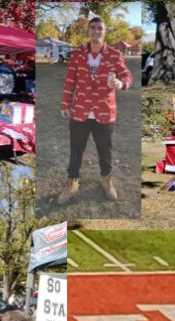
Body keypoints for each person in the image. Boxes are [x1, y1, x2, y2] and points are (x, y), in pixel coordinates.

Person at [58, 16, 133, 204]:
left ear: (104, 31)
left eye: (100, 28)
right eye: (93, 28)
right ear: (89, 31)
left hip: (105, 111)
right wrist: (65, 104)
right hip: (80, 111)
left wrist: (120, 83)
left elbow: (127, 75)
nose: (96, 31)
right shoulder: (77, 54)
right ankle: (71, 183)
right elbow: (70, 81)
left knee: (105, 150)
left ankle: (106, 181)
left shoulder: (115, 54)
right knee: (76, 150)